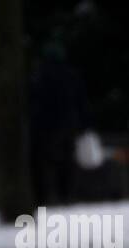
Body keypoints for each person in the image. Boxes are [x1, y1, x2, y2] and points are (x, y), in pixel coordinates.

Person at [29, 42, 89, 204]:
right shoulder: (71, 74)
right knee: (67, 161)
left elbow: (33, 100)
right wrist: (84, 125)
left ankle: (45, 196)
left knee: (44, 162)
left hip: (45, 126)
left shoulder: (39, 74)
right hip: (68, 124)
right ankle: (66, 195)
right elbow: (81, 101)